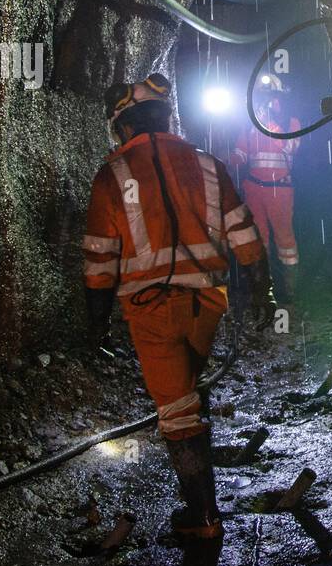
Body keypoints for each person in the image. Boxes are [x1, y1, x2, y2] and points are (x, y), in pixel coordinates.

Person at [82, 72, 275, 542]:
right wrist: (263, 294)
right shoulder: (207, 165)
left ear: (123, 126)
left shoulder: (113, 175)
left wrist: (94, 326)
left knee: (176, 411)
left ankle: (204, 520)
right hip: (207, 303)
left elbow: (99, 261)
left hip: (151, 310)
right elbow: (245, 235)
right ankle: (202, 493)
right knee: (187, 390)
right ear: (167, 118)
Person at [231, 74, 303, 302]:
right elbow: (241, 154)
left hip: (279, 190)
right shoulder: (251, 124)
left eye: (271, 97)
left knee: (284, 238)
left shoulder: (291, 123)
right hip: (254, 189)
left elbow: (290, 148)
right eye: (263, 97)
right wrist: (224, 159)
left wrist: (271, 125)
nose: (267, 102)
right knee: (258, 238)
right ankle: (264, 287)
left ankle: (290, 289)